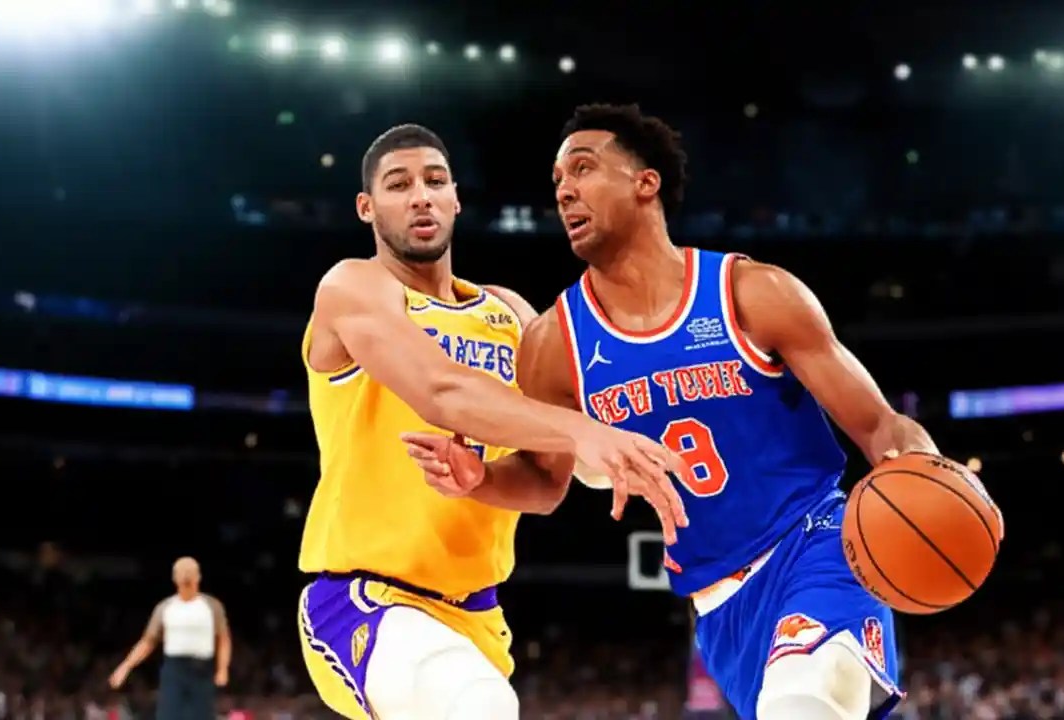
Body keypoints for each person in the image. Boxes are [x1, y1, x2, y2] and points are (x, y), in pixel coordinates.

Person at [403, 104, 992, 720]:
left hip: (818, 546)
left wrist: (923, 471)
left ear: (645, 182)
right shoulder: (554, 346)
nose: (566, 190)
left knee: (803, 703)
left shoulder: (751, 293)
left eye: (582, 168)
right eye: (557, 182)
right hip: (718, 608)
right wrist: (483, 481)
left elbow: (877, 425)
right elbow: (546, 484)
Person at [296, 123, 689, 720]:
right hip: (362, 598)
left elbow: (545, 483)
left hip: (477, 614)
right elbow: (441, 391)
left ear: (456, 197)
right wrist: (583, 431)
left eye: (434, 180)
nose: (420, 196)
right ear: (367, 207)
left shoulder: (511, 315)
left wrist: (486, 476)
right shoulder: (353, 287)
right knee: (477, 705)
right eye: (399, 184)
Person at [109, 557, 230, 720]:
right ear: (175, 578)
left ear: (198, 576)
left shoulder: (211, 606)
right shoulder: (165, 608)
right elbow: (148, 641)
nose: (186, 577)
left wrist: (222, 668)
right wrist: (126, 665)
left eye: (190, 573)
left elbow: (223, 639)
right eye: (182, 573)